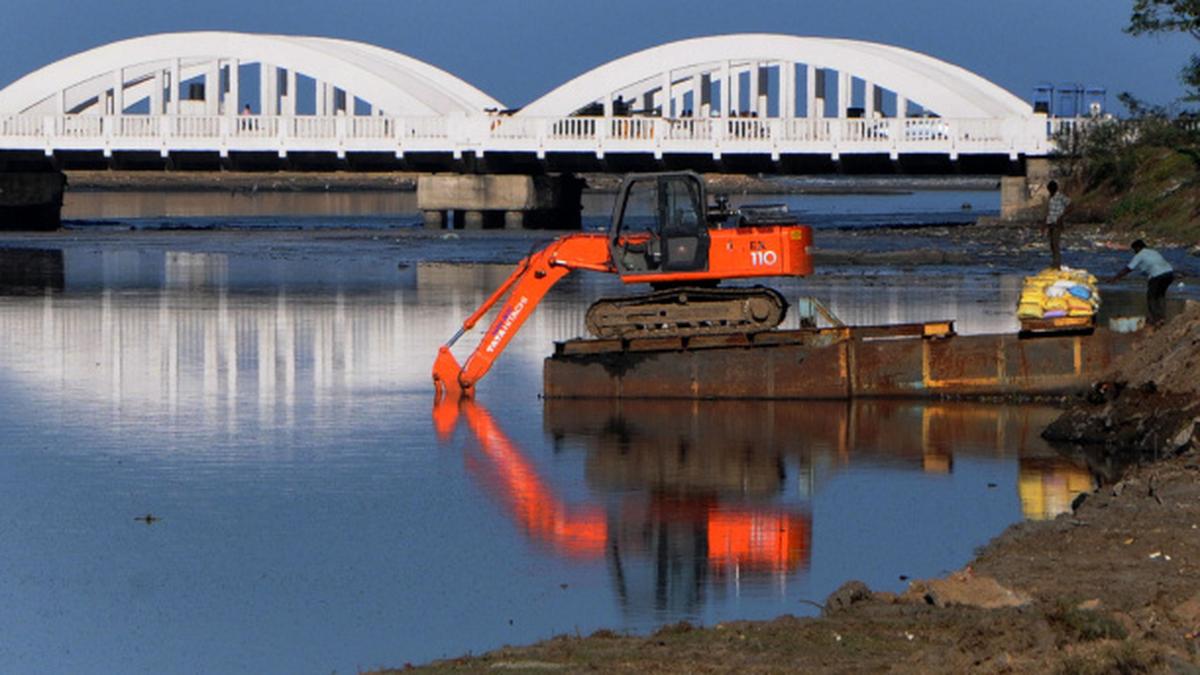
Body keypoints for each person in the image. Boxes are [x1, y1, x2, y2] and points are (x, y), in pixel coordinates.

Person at [1107, 239, 1175, 327]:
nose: (1134, 252)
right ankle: (1162, 318)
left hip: (1157, 275)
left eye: (1134, 250)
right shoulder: (1153, 251)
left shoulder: (1140, 255)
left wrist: (1115, 278)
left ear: (1138, 248)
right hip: (1169, 273)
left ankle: (1156, 319)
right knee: (1160, 295)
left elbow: (1128, 268)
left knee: (1151, 297)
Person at [1044, 180, 1070, 268]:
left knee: (1055, 244)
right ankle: (1054, 262)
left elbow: (1071, 205)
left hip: (1057, 223)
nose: (1050, 191)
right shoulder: (1050, 198)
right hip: (1050, 223)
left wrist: (1062, 216)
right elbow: (1048, 212)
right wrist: (1044, 225)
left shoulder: (1061, 197)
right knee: (1051, 244)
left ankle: (1057, 264)